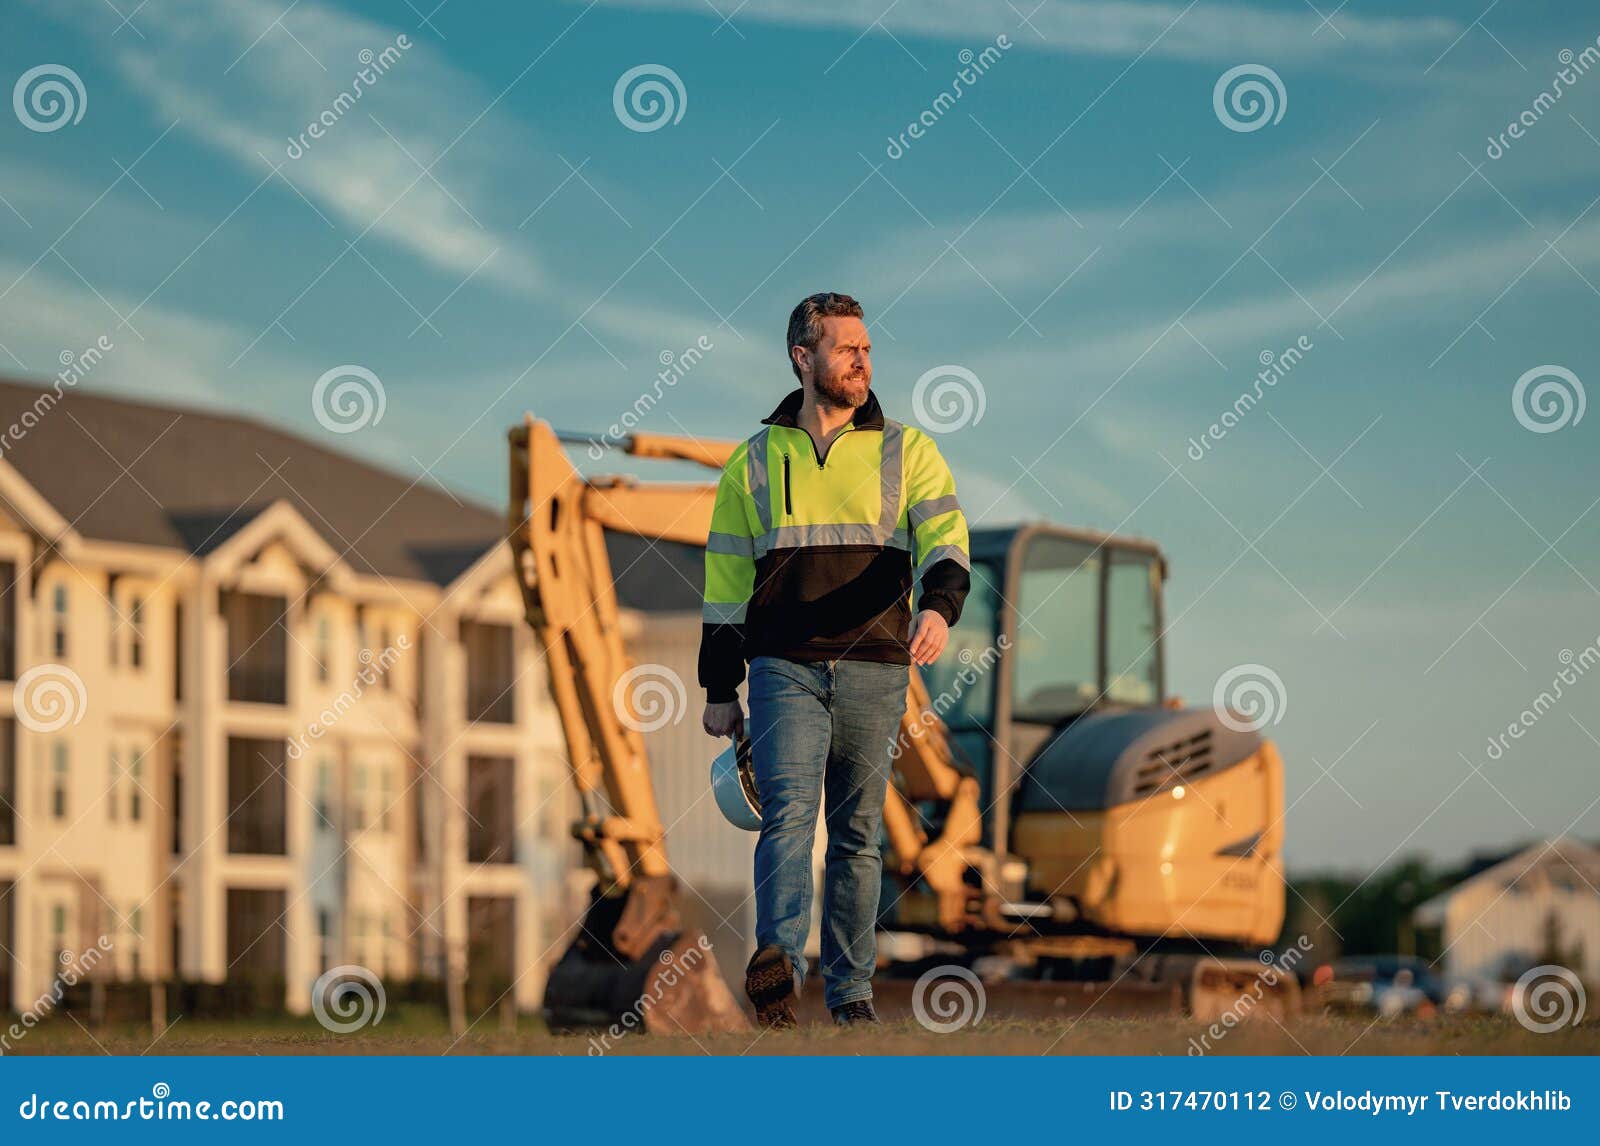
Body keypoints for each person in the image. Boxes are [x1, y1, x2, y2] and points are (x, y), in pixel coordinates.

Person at [698, 291, 971, 1028]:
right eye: (846, 348)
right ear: (803, 357)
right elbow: (725, 580)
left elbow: (946, 537)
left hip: (876, 666)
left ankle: (851, 997)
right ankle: (779, 973)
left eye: (867, 349)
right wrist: (720, 684)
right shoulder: (753, 461)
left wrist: (939, 606)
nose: (862, 361)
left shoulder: (908, 449)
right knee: (788, 816)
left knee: (858, 835)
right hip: (782, 665)